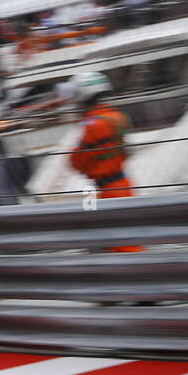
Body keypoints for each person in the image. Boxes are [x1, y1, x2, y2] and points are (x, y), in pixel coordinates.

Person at [68, 72, 141, 251]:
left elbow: (76, 161)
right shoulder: (117, 117)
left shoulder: (93, 125)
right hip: (122, 184)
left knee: (120, 245)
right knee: (124, 239)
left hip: (105, 190)